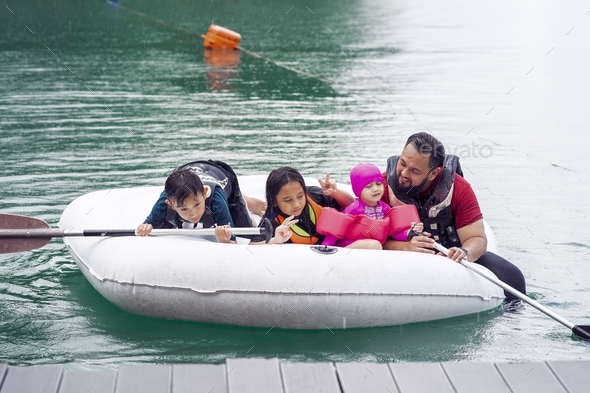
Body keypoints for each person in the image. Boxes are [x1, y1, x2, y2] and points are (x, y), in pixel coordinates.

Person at [382, 132, 526, 301]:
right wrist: (406, 248)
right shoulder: (382, 186)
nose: (404, 173)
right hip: (400, 257)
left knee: (513, 277)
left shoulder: (459, 188)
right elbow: (367, 238)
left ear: (433, 174)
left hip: (449, 255)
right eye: (402, 163)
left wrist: (464, 252)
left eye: (414, 170)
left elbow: (477, 238)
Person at [136, 160, 288, 244]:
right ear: (171, 204)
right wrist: (145, 229)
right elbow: (147, 229)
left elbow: (237, 244)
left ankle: (246, 201)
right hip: (188, 172)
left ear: (204, 193)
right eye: (183, 209)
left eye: (196, 205)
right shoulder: (165, 201)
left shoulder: (215, 199)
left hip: (221, 176)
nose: (193, 213)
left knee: (250, 234)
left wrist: (227, 241)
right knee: (165, 224)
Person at [254, 166, 382, 249]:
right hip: (309, 262)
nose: (296, 204)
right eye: (288, 200)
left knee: (374, 245)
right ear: (274, 201)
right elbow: (251, 247)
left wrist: (334, 192)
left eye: (300, 196)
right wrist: (275, 239)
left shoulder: (315, 196)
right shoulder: (271, 220)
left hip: (337, 250)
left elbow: (351, 205)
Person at [321, 162, 423, 248]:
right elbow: (337, 228)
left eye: (379, 184)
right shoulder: (354, 208)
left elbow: (393, 232)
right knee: (375, 245)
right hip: (350, 247)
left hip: (373, 249)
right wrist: (326, 247)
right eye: (369, 186)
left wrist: (409, 233)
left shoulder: (385, 209)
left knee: (375, 245)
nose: (375, 189)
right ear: (358, 191)